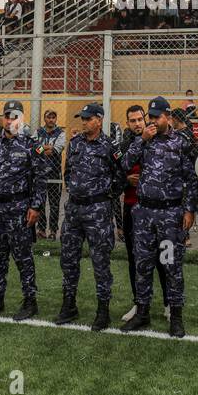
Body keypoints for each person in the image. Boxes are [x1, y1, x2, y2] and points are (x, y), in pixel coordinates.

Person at [119, 96, 198, 337]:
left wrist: (189, 209)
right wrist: (141, 140)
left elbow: (192, 179)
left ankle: (175, 315)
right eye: (149, 117)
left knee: (170, 264)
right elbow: (124, 164)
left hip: (168, 214)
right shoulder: (143, 140)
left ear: (168, 118)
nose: (151, 121)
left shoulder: (180, 143)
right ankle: (142, 312)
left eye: (156, 117)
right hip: (143, 214)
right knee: (142, 264)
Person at [0, 100, 46, 320]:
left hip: (19, 208)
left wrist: (36, 206)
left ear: (21, 119)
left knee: (23, 257)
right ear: (2, 119)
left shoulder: (31, 145)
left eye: (14, 116)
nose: (10, 120)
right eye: (7, 116)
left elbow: (40, 179)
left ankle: (30, 301)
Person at [55, 103, 123, 330]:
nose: (83, 122)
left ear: (99, 120)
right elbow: (67, 172)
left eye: (87, 119)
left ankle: (103, 310)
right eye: (82, 119)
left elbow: (120, 177)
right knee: (68, 258)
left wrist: (104, 196)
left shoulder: (109, 146)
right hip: (74, 210)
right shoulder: (74, 144)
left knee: (100, 261)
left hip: (98, 212)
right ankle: (69, 304)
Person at [116, 104, 170, 322]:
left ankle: (168, 303)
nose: (137, 124)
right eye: (132, 120)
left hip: (156, 209)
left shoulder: (158, 139)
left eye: (140, 119)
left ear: (145, 119)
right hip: (131, 208)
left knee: (162, 257)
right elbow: (115, 172)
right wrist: (126, 180)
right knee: (134, 259)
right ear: (127, 123)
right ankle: (138, 303)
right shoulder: (123, 144)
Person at [35, 109, 65, 239]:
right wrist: (45, 148)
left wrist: (43, 148)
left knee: (54, 204)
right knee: (40, 201)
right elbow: (35, 149)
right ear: (44, 119)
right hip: (40, 172)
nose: (51, 119)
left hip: (54, 173)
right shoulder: (38, 132)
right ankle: (41, 229)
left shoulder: (61, 133)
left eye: (53, 117)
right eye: (49, 117)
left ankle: (53, 230)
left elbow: (56, 150)